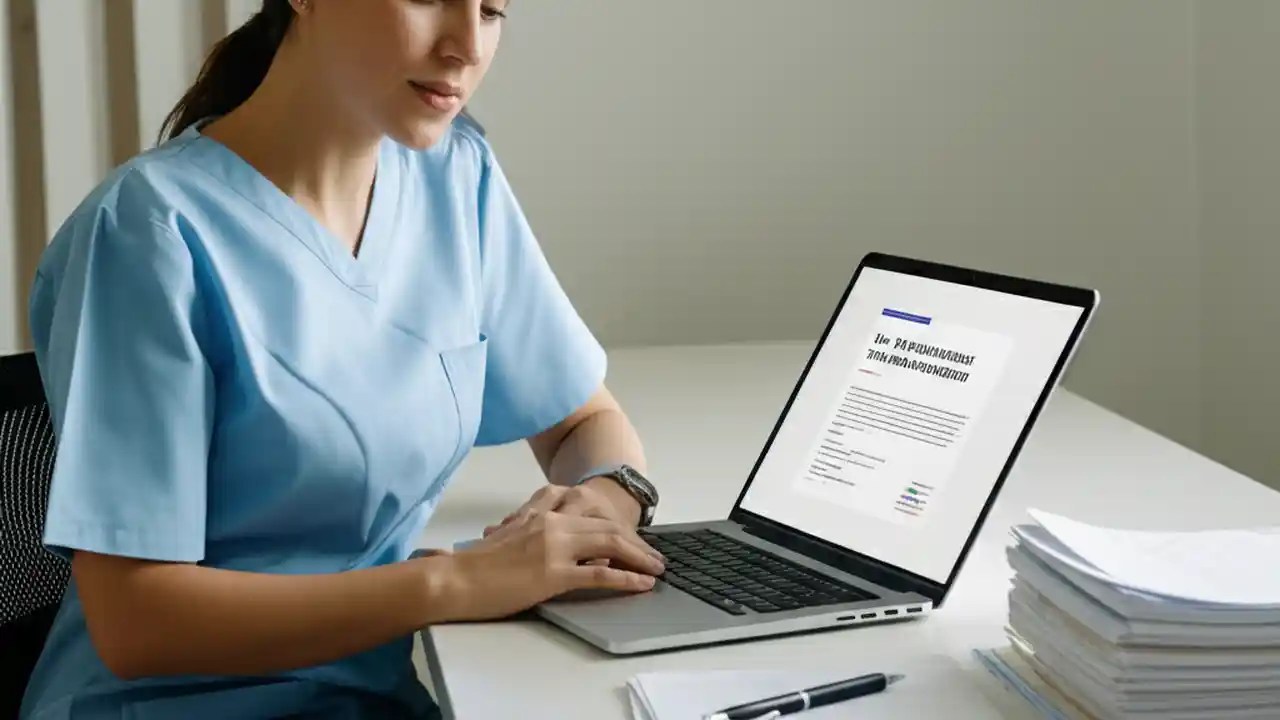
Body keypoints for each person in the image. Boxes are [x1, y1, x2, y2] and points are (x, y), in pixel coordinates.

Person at [19, 1, 667, 717]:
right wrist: (455, 582)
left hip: (370, 698)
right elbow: (135, 622)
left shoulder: (455, 177)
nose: (467, 46)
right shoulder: (147, 232)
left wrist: (607, 501)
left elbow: (583, 421)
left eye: (491, 11)